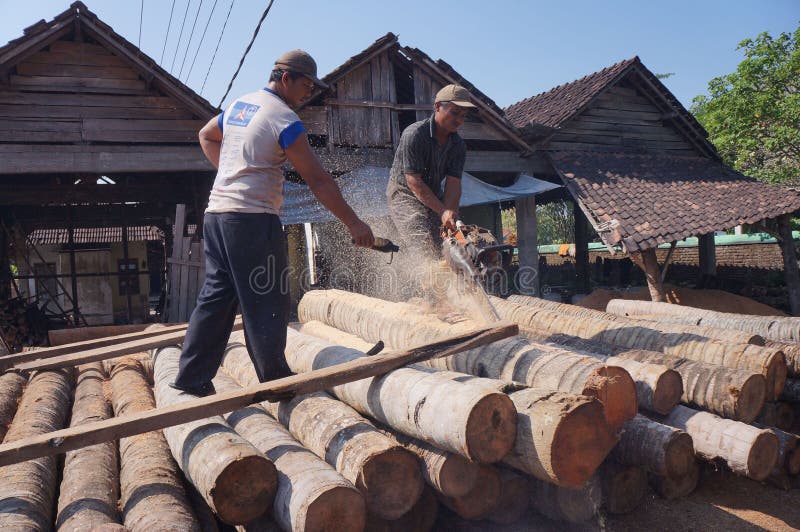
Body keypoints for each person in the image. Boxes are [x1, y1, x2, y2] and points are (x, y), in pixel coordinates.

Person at [170, 50, 374, 396]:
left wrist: (231, 173)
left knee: (217, 296)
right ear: (285, 78)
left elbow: (206, 134)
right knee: (266, 297)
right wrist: (354, 224)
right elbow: (318, 181)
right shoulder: (283, 118)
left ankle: (191, 378)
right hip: (251, 220)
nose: (308, 93)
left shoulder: (240, 105)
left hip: (217, 215)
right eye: (306, 86)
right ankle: (275, 379)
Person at [386, 84, 475, 297]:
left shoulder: (458, 146)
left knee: (445, 244)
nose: (459, 120)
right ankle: (432, 300)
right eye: (454, 113)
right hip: (405, 194)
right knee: (421, 241)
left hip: (433, 195)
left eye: (463, 116)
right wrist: (442, 211)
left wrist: (450, 216)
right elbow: (413, 181)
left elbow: (453, 183)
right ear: (437, 107)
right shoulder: (414, 134)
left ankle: (454, 295)